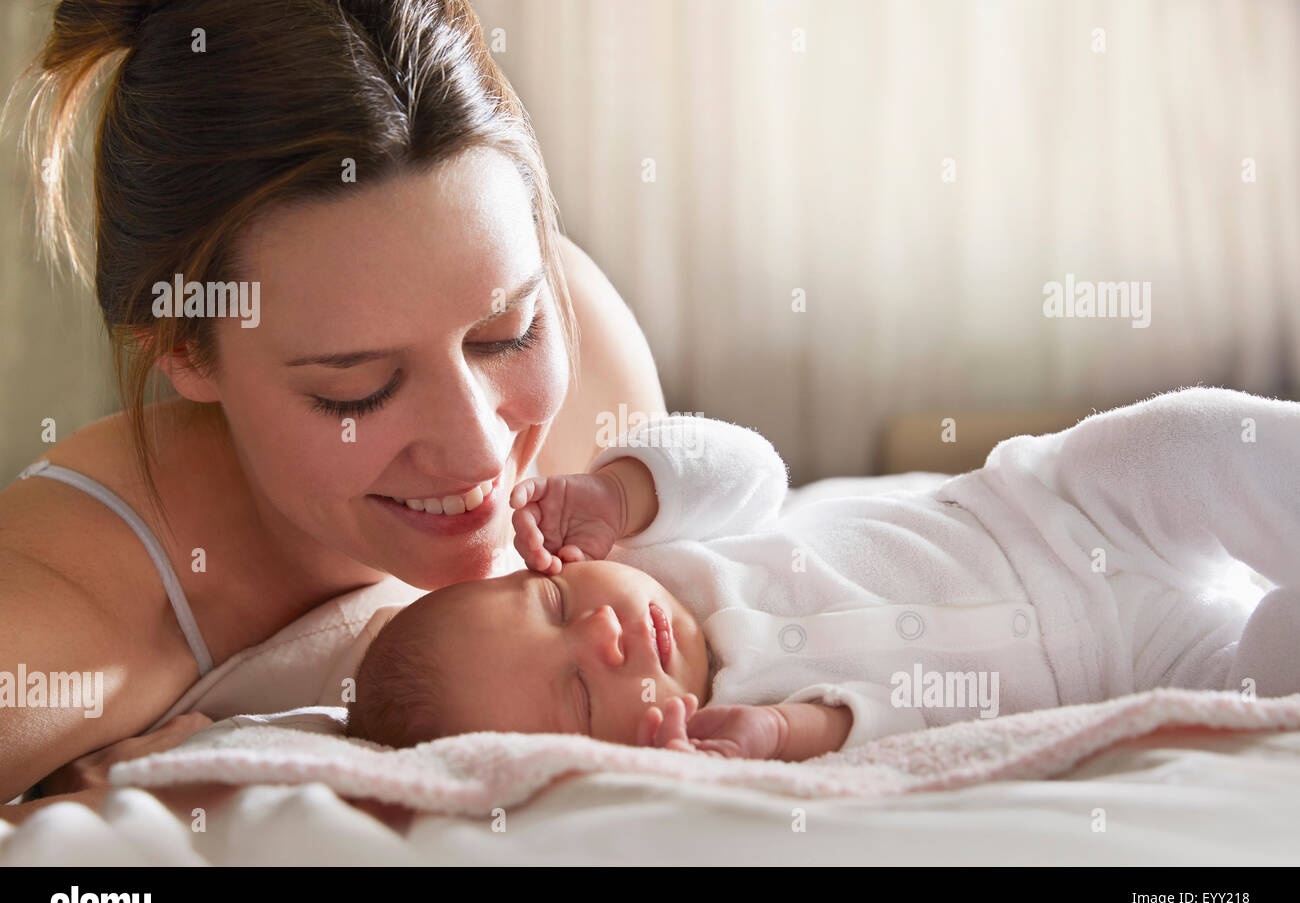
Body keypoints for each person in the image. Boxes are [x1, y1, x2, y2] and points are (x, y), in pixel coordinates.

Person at [0, 0, 665, 817]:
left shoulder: (586, 346)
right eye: (357, 387)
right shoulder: (72, 608)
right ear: (180, 349)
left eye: (504, 334)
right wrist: (78, 817)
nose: (476, 452)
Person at [347, 388, 1300, 760]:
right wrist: (774, 734)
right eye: (578, 692)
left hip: (1056, 517)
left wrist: (625, 492)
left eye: (552, 603)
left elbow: (753, 465)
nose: (603, 635)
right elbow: (874, 728)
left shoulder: (661, 554)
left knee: (1183, 445)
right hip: (1136, 670)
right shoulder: (729, 734)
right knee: (1265, 687)